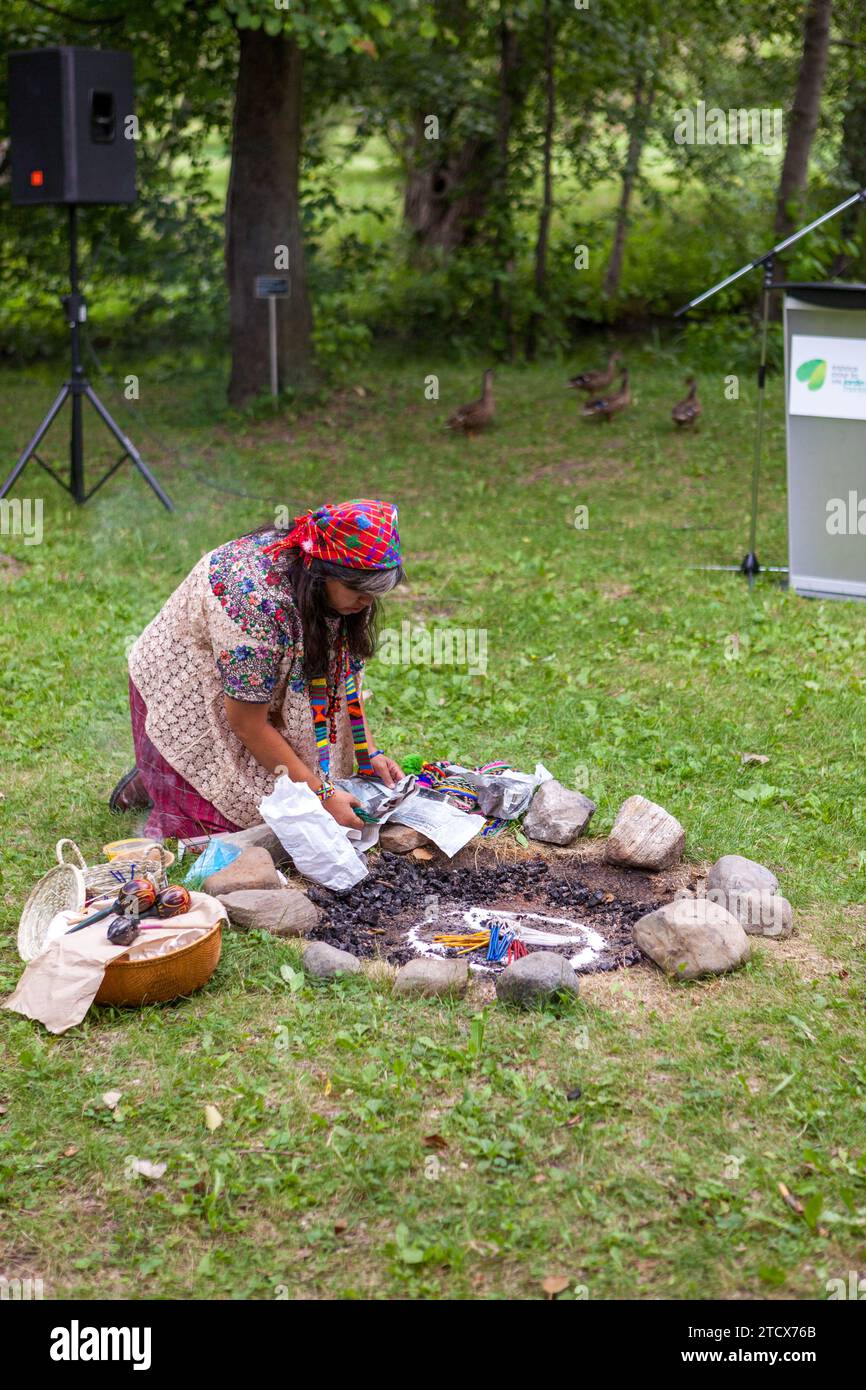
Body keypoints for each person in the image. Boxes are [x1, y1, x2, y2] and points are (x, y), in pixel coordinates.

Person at [110, 499, 404, 838]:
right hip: (191, 675)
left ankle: (159, 772)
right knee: (239, 823)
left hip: (255, 671)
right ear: (322, 574)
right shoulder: (253, 603)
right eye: (359, 592)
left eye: (375, 594)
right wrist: (321, 795)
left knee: (298, 795)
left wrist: (370, 752)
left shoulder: (347, 589)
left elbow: (344, 675)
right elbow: (247, 723)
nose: (367, 603)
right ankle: (165, 765)